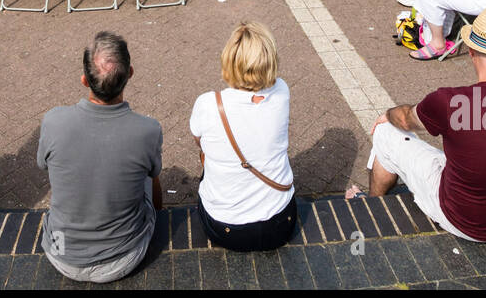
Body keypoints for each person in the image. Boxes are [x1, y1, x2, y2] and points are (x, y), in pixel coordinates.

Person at [357, 8, 486, 243]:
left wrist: (388, 114)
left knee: (386, 131)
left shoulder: (449, 102)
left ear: (471, 52)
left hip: (466, 222)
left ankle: (369, 207)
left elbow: (405, 119)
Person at [38, 32, 162, 283]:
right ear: (130, 74)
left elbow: (43, 164)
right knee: (152, 175)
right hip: (124, 257)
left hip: (61, 254)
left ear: (85, 80)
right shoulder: (148, 130)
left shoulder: (54, 120)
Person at [191, 22, 296, 251]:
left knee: (207, 160)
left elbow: (198, 141)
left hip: (226, 229)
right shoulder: (282, 91)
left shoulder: (209, 104)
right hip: (281, 223)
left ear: (229, 61)